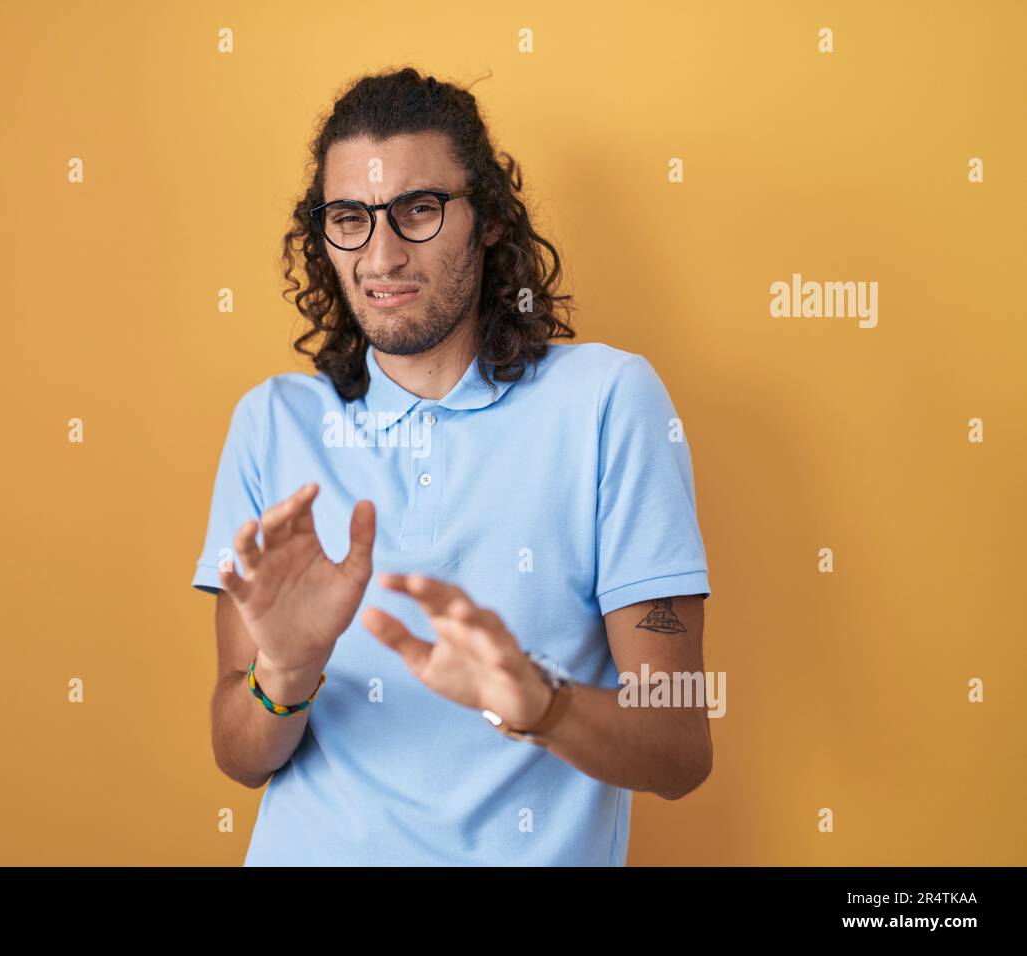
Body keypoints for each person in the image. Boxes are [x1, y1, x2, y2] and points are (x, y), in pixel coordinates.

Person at [190, 67, 713, 865]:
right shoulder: (272, 422)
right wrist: (287, 672)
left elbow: (680, 748)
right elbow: (239, 755)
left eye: (419, 210)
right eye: (350, 219)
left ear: (490, 221)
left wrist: (544, 705)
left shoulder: (607, 402)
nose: (382, 255)